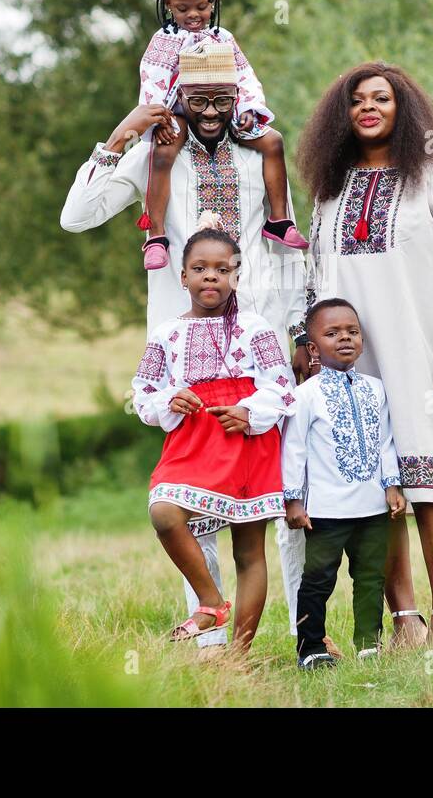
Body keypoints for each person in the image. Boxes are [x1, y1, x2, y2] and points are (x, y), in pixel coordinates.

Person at [60, 40, 310, 653]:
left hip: (261, 347)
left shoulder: (259, 154)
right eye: (196, 96)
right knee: (188, 499)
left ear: (237, 96)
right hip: (183, 359)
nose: (209, 110)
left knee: (276, 499)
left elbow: (287, 246)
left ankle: (305, 635)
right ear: (175, 95)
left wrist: (301, 327)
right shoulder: (155, 154)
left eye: (221, 97)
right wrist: (120, 136)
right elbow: (76, 216)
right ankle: (210, 641)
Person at [296, 61, 433, 653]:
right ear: (344, 115)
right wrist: (307, 347)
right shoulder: (331, 191)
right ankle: (403, 618)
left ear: (403, 110)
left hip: (422, 357)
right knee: (376, 494)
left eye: (381, 98)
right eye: (357, 101)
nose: (369, 108)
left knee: (431, 486)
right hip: (350, 368)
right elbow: (314, 279)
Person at [132, 214, 297, 650]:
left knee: (249, 552)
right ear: (183, 276)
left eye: (223, 270)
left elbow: (282, 386)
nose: (212, 276)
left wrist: (250, 412)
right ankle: (209, 601)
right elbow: (142, 393)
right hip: (192, 443)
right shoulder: (167, 335)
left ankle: (239, 655)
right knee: (164, 512)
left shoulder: (255, 327)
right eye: (201, 268)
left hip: (247, 443)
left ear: (236, 277)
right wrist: (170, 399)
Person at [135, 0, 307, 271]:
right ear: (168, 5)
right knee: (163, 151)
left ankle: (279, 219)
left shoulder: (223, 38)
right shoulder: (163, 41)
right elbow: (153, 81)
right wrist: (157, 119)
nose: (194, 15)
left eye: (202, 7)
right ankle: (156, 235)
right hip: (181, 112)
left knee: (273, 141)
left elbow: (244, 77)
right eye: (183, 8)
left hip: (226, 110)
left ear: (213, 2)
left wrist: (249, 110)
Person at [283, 298, 405, 670]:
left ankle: (369, 645)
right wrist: (293, 501)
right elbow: (294, 449)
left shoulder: (376, 389)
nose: (345, 339)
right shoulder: (306, 395)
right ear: (313, 347)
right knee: (318, 579)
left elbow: (386, 440)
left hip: (372, 508)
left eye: (352, 331)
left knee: (370, 577)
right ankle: (311, 648)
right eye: (332, 333)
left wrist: (392, 485)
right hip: (326, 511)